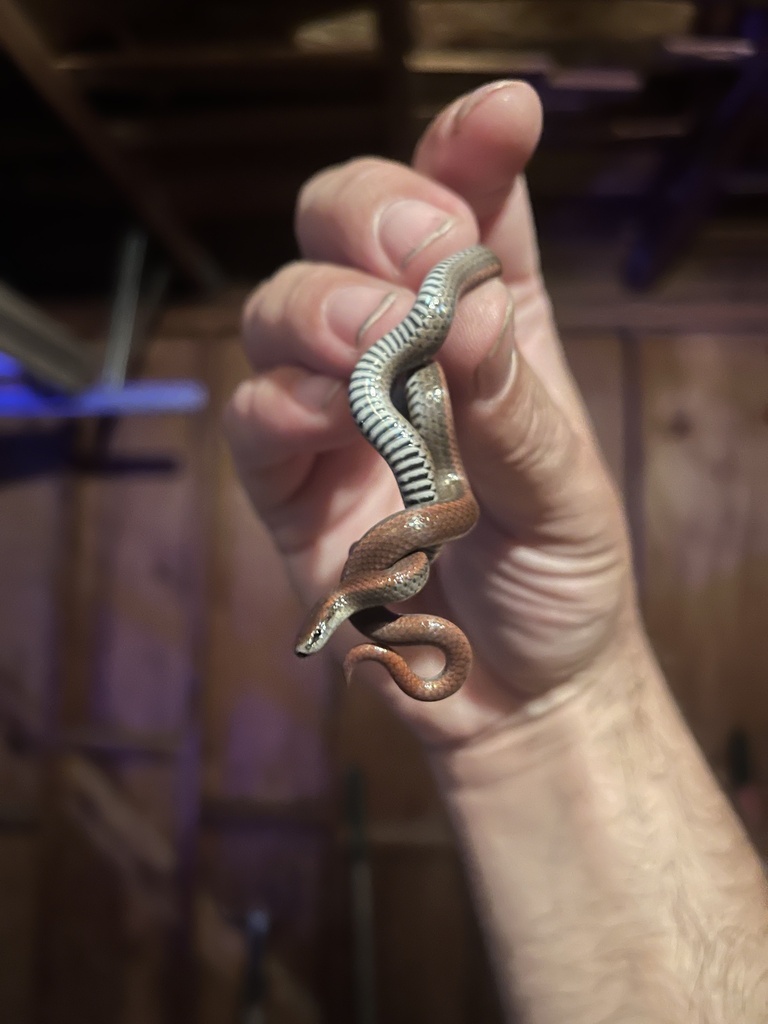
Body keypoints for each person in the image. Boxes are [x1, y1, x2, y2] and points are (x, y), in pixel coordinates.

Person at [225, 80, 768, 1021]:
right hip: (434, 539)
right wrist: (569, 704)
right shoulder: (398, 557)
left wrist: (576, 697)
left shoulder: (404, 543)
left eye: (329, 636)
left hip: (432, 461)